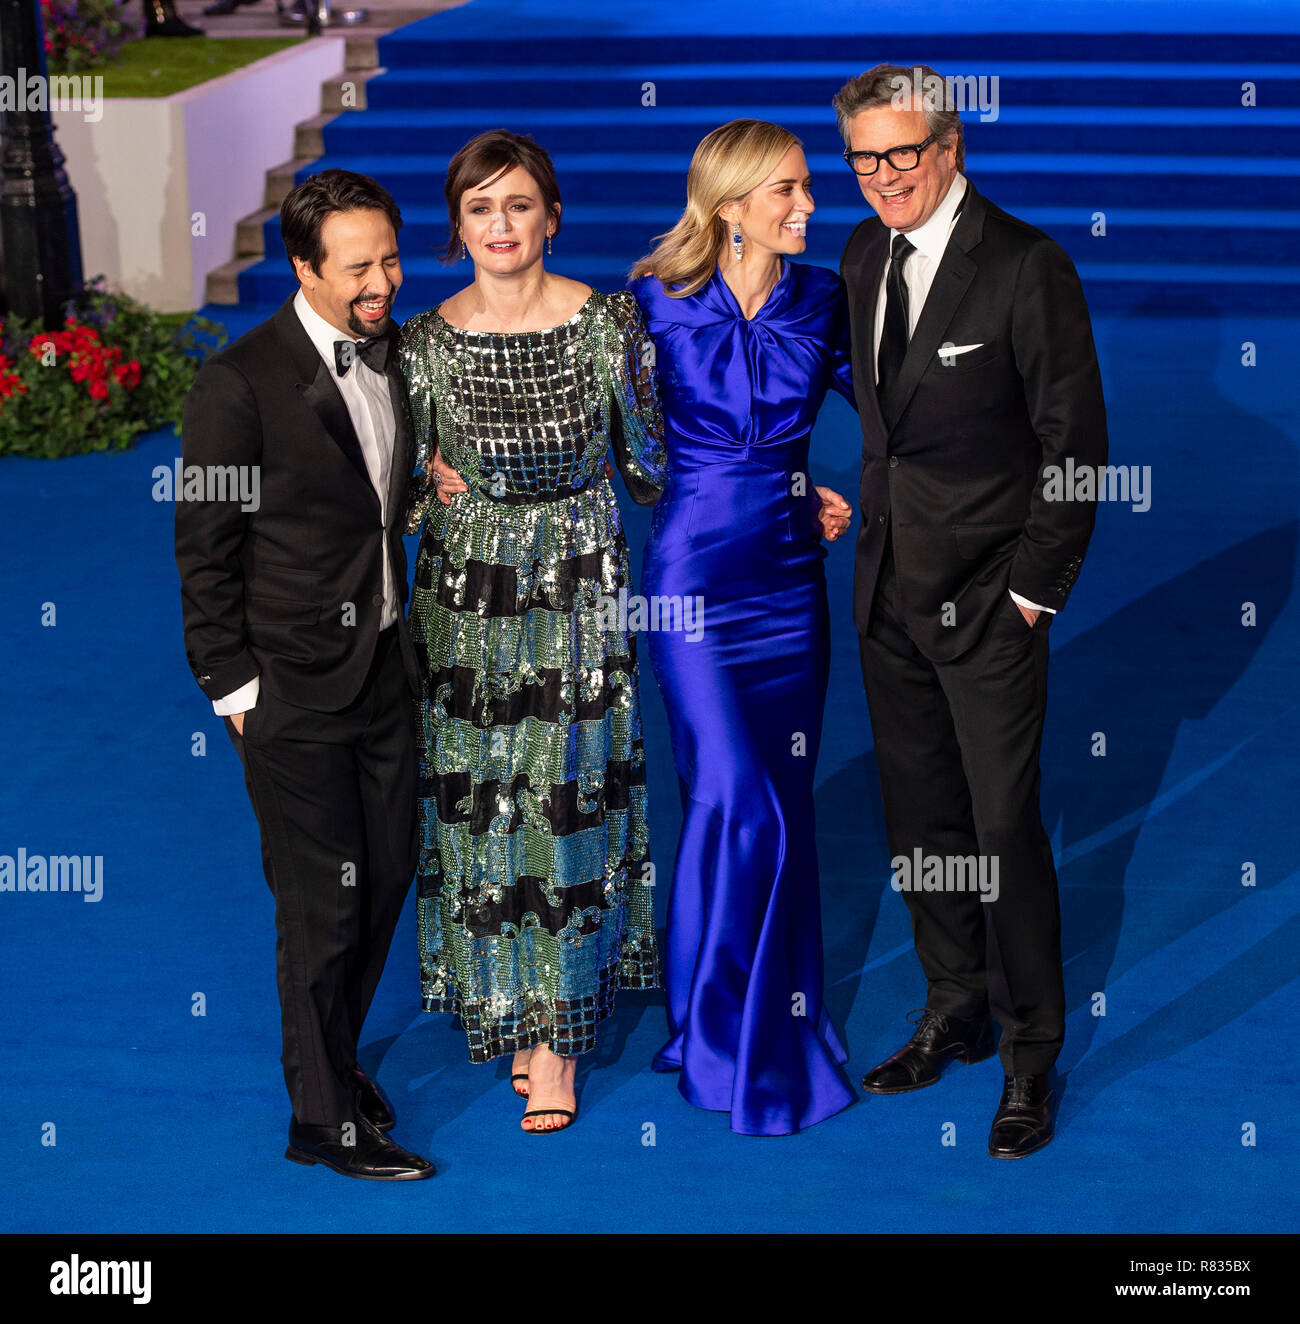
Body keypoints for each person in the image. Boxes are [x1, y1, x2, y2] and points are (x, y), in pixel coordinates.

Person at [835, 64, 1108, 1157]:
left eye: (902, 153)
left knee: (1000, 833)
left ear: (950, 146)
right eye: (863, 158)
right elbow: (886, 419)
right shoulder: (860, 256)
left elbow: (1076, 454)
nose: (883, 177)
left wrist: (1032, 594)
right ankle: (953, 1007)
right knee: (922, 826)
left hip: (993, 603)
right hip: (886, 594)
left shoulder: (1027, 264)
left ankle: (1030, 1052)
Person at [397, 130, 666, 1134]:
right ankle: (506, 1000)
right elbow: (391, 488)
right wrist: (424, 486)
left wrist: (780, 486)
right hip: (462, 603)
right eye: (480, 208)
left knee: (561, 795)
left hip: (577, 592)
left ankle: (557, 1034)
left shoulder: (609, 325)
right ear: (457, 225)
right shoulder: (421, 342)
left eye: (518, 205)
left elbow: (656, 464)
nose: (501, 226)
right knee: (482, 801)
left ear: (551, 215)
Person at [174, 168, 433, 1179]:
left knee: (389, 874)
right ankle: (320, 1119)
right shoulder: (238, 383)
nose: (382, 280)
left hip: (384, 667)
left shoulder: (398, 352)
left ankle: (335, 1059)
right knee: (322, 901)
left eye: (390, 258)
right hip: (288, 689)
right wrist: (234, 691)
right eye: (359, 266)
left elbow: (377, 499)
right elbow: (203, 547)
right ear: (302, 267)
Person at [625, 119, 858, 1136]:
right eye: (785, 192)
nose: (807, 206)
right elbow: (588, 422)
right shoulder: (651, 303)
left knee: (779, 804)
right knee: (733, 797)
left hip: (788, 586)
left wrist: (847, 494)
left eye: (805, 188)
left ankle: (714, 1014)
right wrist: (447, 468)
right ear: (726, 207)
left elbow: (901, 414)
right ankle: (735, 1036)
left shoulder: (825, 298)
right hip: (688, 586)